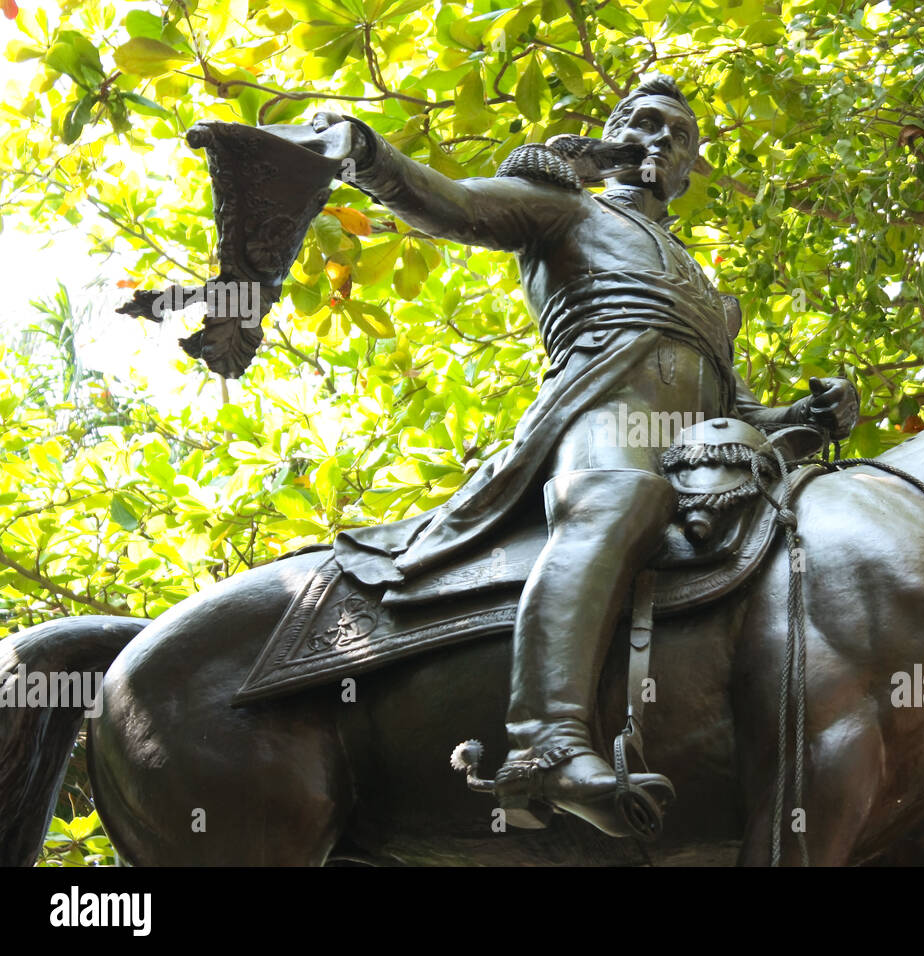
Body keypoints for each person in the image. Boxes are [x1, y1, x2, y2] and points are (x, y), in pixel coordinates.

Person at [316, 74, 859, 837]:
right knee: (619, 498)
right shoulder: (567, 209)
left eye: (678, 135)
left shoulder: (708, 292)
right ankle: (545, 744)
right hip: (600, 423)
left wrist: (805, 414)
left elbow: (722, 409)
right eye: (642, 121)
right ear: (611, 139)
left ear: (685, 169)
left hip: (691, 452)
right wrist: (366, 156)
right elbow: (454, 205)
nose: (659, 138)